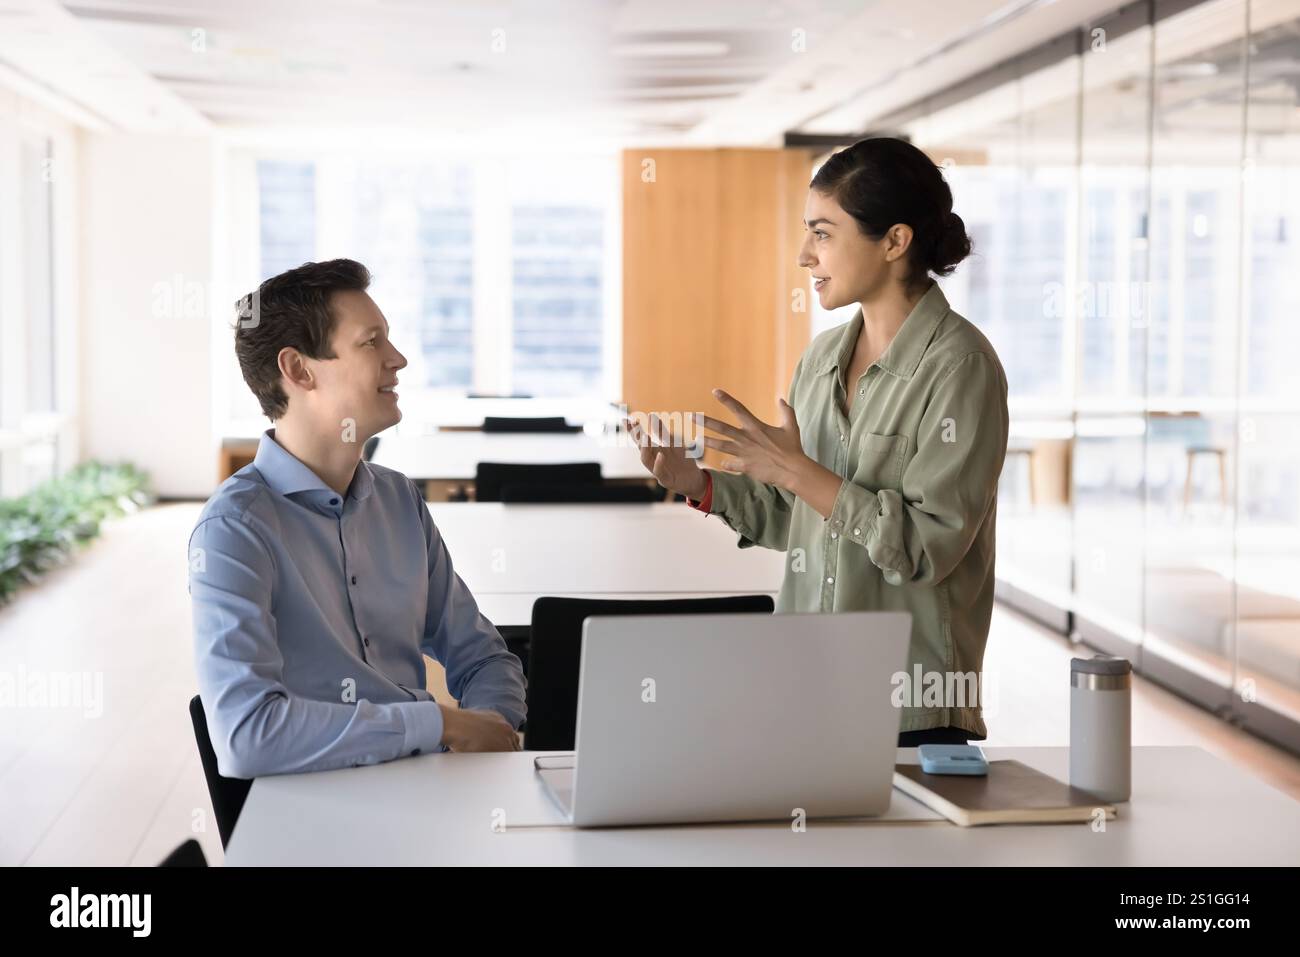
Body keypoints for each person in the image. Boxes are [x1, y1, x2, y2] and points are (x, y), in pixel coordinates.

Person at [628, 137, 1008, 746]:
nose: (805, 254)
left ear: (894, 241)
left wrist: (799, 472)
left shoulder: (961, 365)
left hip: (910, 709)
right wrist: (697, 483)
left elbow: (928, 547)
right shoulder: (822, 358)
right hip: (806, 688)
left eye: (823, 233)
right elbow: (799, 520)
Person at [189, 259, 524, 777]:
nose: (399, 359)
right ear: (299, 370)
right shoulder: (233, 531)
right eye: (372, 343)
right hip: (316, 821)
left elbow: (482, 657)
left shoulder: (399, 501)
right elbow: (246, 735)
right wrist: (437, 725)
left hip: (430, 793)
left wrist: (490, 726)